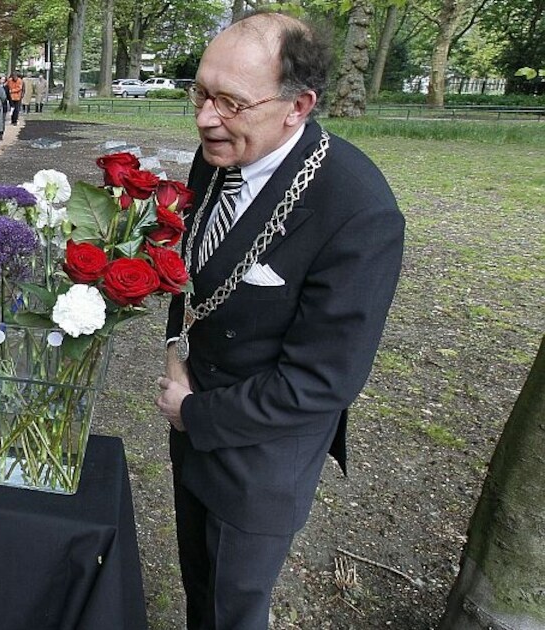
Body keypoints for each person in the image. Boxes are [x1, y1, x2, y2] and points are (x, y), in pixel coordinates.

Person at [153, 12, 404, 628]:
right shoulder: (217, 154)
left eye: (231, 102)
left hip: (261, 461)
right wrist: (174, 349)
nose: (206, 118)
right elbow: (194, 268)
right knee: (198, 594)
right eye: (201, 94)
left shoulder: (357, 211)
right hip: (191, 423)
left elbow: (323, 381)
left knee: (234, 609)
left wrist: (195, 413)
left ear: (299, 106)